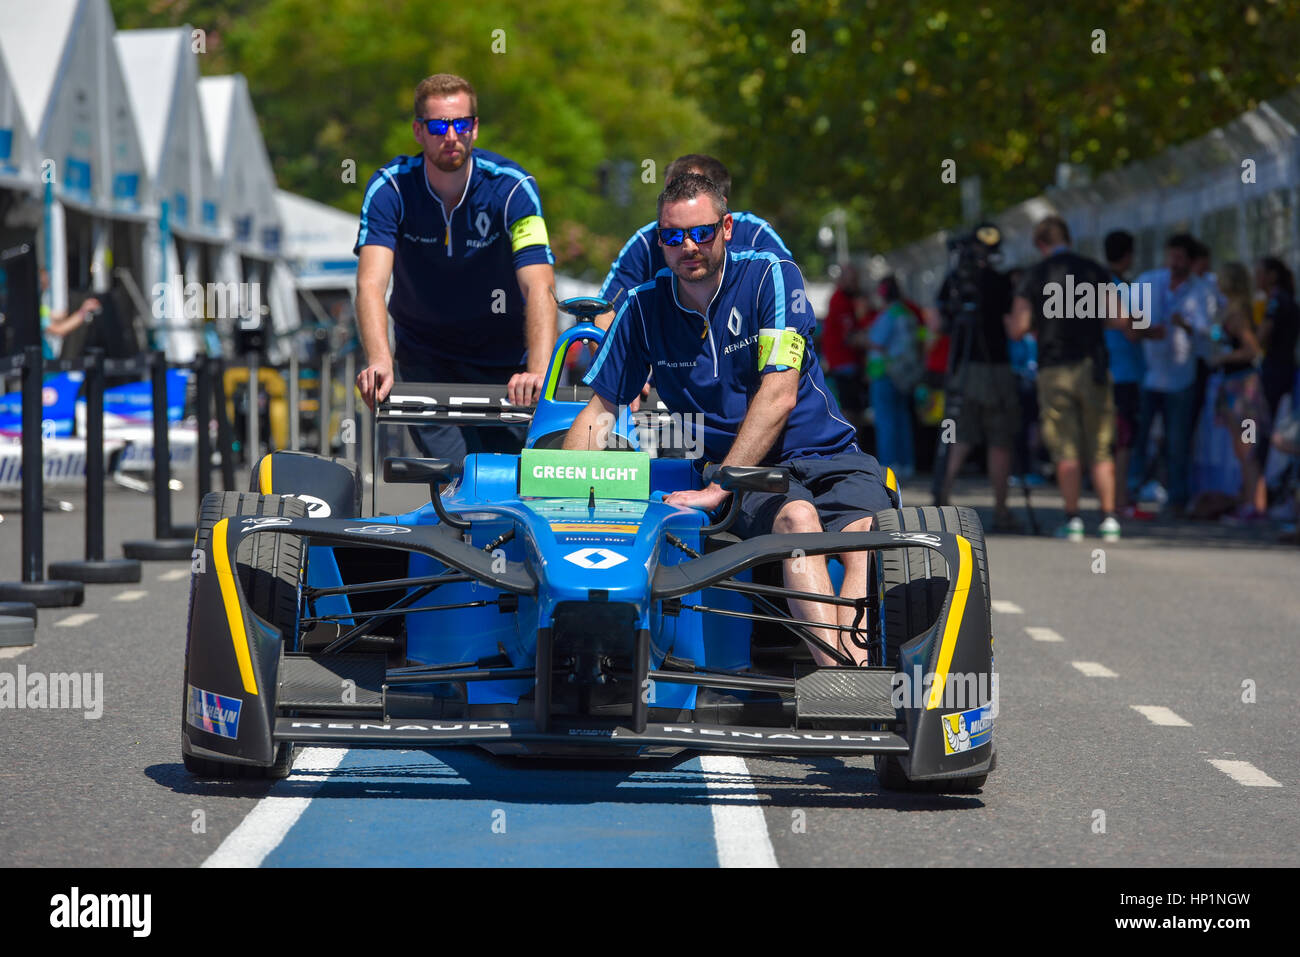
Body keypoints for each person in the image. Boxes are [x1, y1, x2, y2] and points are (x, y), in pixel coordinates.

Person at [566, 173, 893, 666]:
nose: (688, 247)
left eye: (701, 232)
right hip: (746, 474)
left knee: (865, 538)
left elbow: (779, 393)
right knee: (797, 520)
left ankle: (851, 674)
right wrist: (565, 498)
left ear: (726, 227)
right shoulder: (641, 306)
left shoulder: (772, 276)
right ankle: (846, 676)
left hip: (827, 453)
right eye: (673, 237)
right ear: (661, 241)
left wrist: (720, 485)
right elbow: (600, 411)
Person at [352, 73, 558, 462]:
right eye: (438, 126)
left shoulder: (514, 188)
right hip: (426, 358)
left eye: (461, 124)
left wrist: (539, 372)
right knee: (456, 478)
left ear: (475, 128)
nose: (451, 136)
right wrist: (380, 360)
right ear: (418, 131)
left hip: (505, 361)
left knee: (512, 481)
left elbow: (539, 286)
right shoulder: (390, 189)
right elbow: (370, 285)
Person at [1008, 215, 1120, 541]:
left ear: (1041, 244)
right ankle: (1109, 518)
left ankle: (1073, 519)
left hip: (1054, 367)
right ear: (1068, 238)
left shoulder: (1036, 274)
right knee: (1101, 446)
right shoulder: (1094, 270)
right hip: (1093, 364)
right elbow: (1119, 317)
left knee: (1065, 446)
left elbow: (1018, 327)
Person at [596, 154, 792, 322]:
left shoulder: (755, 235)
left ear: (726, 224)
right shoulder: (645, 242)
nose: (689, 247)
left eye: (690, 190)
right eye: (671, 193)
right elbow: (605, 313)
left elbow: (790, 303)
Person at [934, 230, 1021, 532]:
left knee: (960, 435)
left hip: (964, 369)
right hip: (995, 367)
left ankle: (942, 497)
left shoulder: (956, 280)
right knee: (1000, 440)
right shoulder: (1000, 282)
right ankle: (1001, 509)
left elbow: (939, 320)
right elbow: (1013, 326)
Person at [1128, 234, 1211, 518]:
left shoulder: (1202, 290)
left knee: (1177, 441)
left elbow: (1211, 334)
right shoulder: (1148, 281)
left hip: (1181, 377)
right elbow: (1126, 316)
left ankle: (1177, 498)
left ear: (1190, 261)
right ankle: (1129, 494)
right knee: (1138, 437)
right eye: (1171, 256)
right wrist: (1147, 329)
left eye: (1180, 258)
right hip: (1148, 373)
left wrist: (1187, 326)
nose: (1174, 263)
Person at [1208, 262, 1269, 520]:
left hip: (1243, 388)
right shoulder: (1230, 310)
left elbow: (1252, 350)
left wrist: (1222, 359)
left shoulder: (1237, 314)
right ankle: (1251, 501)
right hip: (1234, 385)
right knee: (1242, 448)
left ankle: (1255, 504)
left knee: (1247, 447)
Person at [1102, 230, 1155, 520]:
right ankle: (1120, 500)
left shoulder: (1095, 285)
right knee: (1124, 440)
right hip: (1126, 373)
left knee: (1110, 440)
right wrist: (1153, 330)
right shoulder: (1121, 288)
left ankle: (1110, 497)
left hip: (1107, 371)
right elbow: (1132, 331)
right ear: (1129, 255)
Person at [863, 276, 918, 479]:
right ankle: (906, 463)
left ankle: (889, 465)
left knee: (885, 420)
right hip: (905, 374)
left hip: (885, 373)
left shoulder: (888, 315)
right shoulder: (907, 312)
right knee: (903, 419)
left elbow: (875, 341)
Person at [1254, 256, 1300, 498]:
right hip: (1284, 370)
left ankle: (1255, 495)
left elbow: (1259, 339)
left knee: (1254, 431)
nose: (1256, 278)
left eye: (1259, 272)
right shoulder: (1288, 299)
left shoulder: (1276, 301)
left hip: (1271, 372)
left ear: (1272, 275)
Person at [820, 261, 871, 431]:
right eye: (851, 279)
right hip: (844, 362)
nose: (854, 283)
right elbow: (851, 337)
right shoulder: (840, 301)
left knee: (855, 409)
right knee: (850, 410)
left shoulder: (848, 300)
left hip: (848, 361)